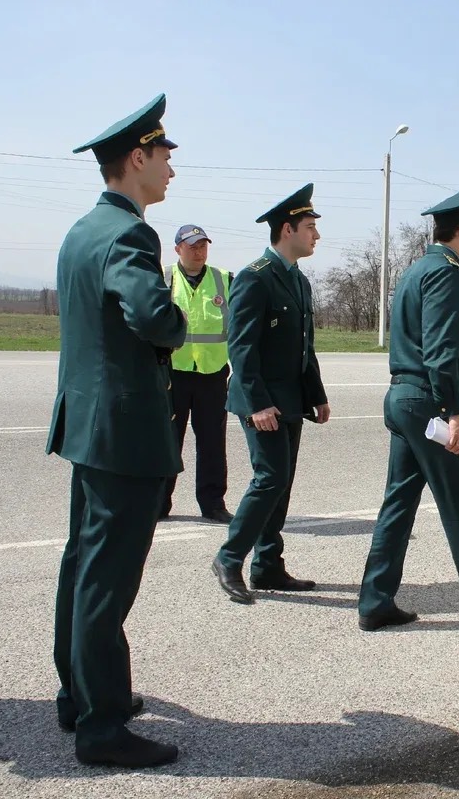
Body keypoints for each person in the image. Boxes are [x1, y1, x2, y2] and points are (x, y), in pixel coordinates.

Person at [46, 93, 186, 768]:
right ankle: (101, 727)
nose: (170, 170)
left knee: (82, 563)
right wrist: (175, 325)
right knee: (106, 579)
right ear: (136, 159)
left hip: (89, 426)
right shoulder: (131, 234)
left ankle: (79, 695)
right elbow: (153, 317)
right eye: (164, 157)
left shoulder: (83, 230)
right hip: (125, 433)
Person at [357, 184, 459, 633]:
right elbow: (441, 352)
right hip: (429, 402)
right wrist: (455, 413)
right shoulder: (446, 273)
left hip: (404, 398)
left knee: (398, 504)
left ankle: (375, 600)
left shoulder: (418, 268)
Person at [211, 184, 330, 604]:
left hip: (291, 399)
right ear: (287, 229)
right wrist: (258, 403)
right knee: (270, 478)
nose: (316, 235)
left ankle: (267, 565)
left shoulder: (298, 280)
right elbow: (241, 347)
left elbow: (304, 346)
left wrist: (317, 395)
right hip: (260, 401)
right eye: (310, 227)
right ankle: (229, 558)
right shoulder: (255, 277)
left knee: (282, 482)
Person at [160, 224, 234, 524]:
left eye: (203, 246)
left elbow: (239, 326)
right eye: (192, 246)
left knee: (212, 443)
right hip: (172, 374)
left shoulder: (224, 279)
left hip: (212, 373)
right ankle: (158, 503)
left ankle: (213, 504)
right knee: (167, 442)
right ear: (178, 249)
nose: (199, 252)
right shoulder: (163, 278)